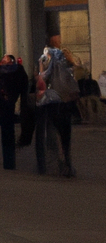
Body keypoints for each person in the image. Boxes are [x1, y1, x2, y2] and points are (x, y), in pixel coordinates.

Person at [36, 45, 77, 177]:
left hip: (55, 105)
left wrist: (41, 66)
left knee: (55, 136)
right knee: (66, 137)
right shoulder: (70, 69)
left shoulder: (52, 69)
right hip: (67, 105)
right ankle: (67, 163)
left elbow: (41, 80)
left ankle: (59, 164)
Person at [0, 54, 27, 170]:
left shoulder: (0, 72)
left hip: (3, 105)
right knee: (8, 132)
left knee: (6, 133)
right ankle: (9, 161)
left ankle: (8, 161)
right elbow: (23, 87)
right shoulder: (16, 71)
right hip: (8, 104)